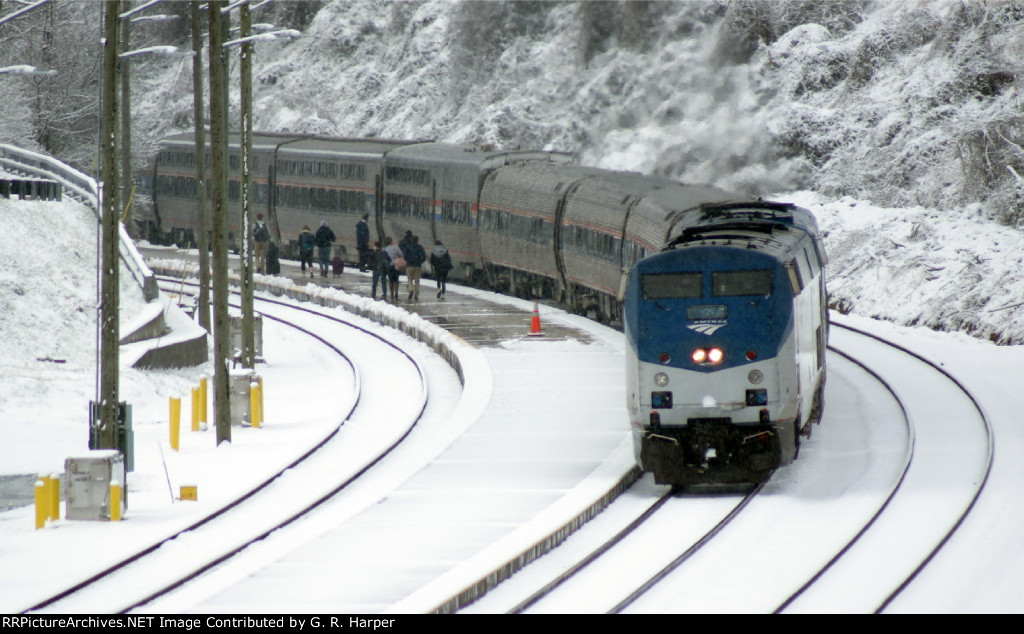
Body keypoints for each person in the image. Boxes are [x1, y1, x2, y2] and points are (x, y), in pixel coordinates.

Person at [404, 235, 427, 300]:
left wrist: (408, 261)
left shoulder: (408, 247)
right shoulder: (420, 247)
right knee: (417, 281)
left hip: (409, 266)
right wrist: (420, 261)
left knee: (410, 279)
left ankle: (411, 290)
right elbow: (424, 256)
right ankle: (416, 295)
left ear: (412, 240)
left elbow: (405, 256)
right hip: (418, 266)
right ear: (417, 240)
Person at [382, 236, 404, 302]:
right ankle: (396, 292)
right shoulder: (396, 248)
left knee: (391, 280)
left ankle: (392, 294)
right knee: (396, 279)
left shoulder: (384, 249)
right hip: (396, 266)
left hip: (389, 266)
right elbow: (401, 254)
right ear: (391, 242)